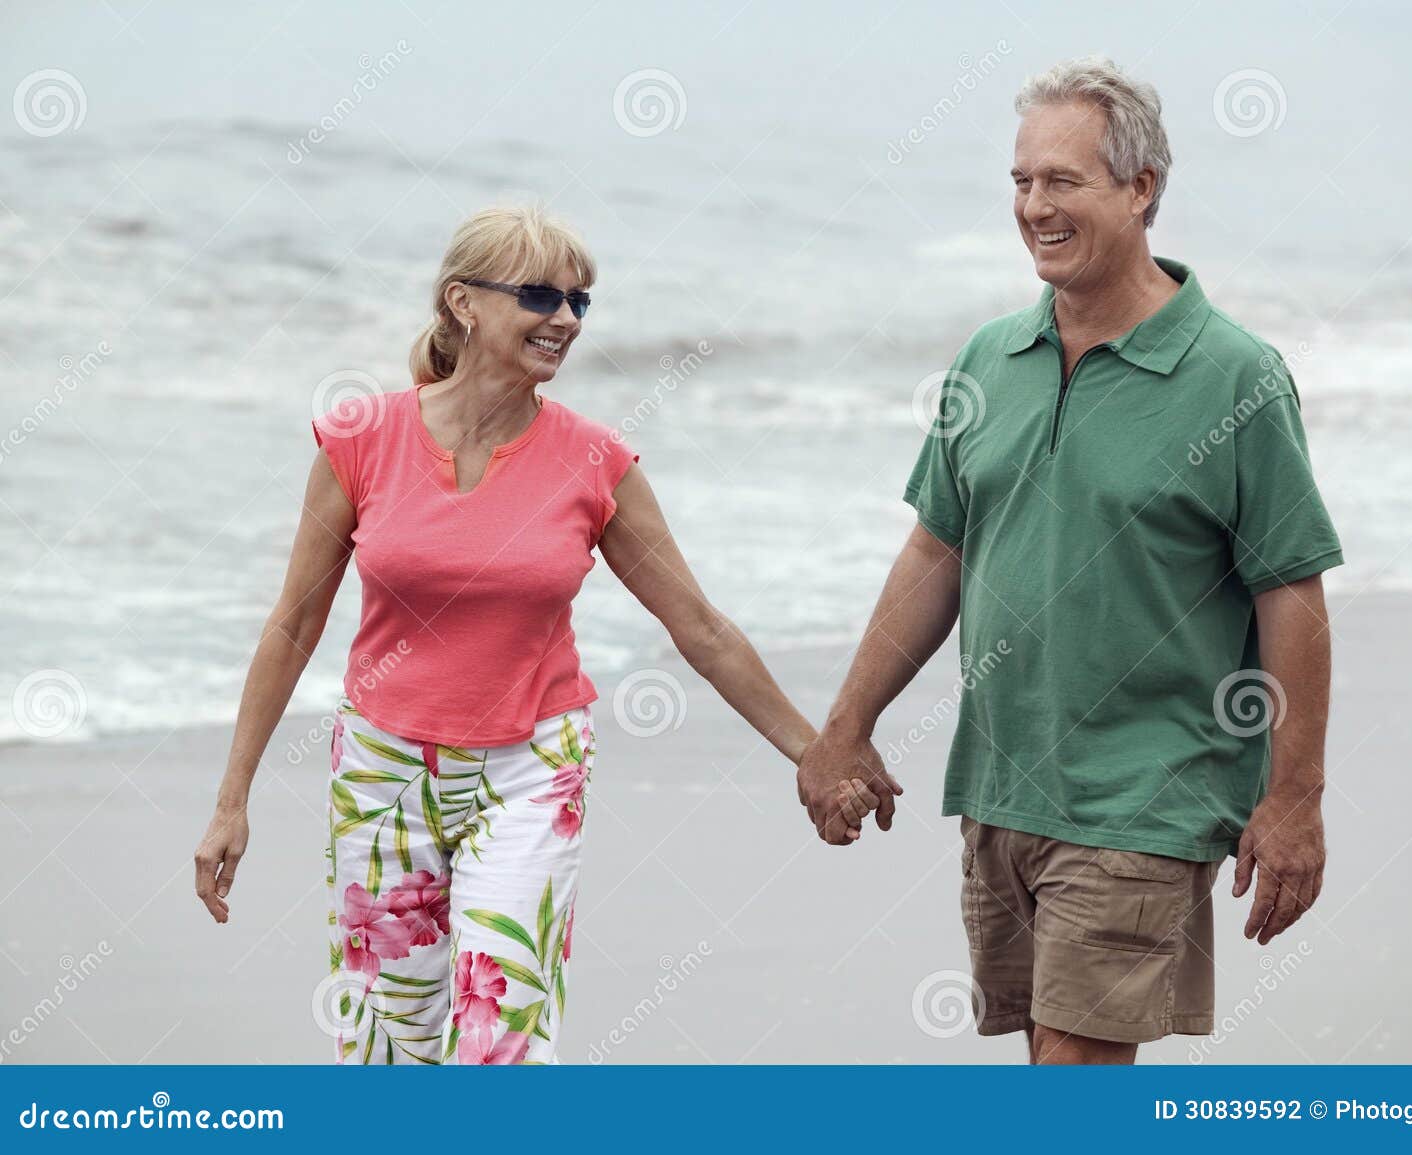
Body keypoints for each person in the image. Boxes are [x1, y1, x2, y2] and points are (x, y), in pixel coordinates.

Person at [193, 205, 862, 1064]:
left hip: (532, 767)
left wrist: (815, 753)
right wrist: (231, 800)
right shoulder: (362, 438)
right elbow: (293, 625)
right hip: (383, 770)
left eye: (580, 301)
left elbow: (700, 628)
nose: (566, 319)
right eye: (541, 296)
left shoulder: (594, 461)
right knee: (385, 1048)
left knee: (497, 1045)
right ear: (463, 303)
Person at [797, 57, 1343, 1065]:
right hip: (1000, 790)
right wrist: (846, 726)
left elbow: (1290, 590)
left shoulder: (1237, 378)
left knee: (1072, 1074)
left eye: (1062, 180)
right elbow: (935, 551)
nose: (1034, 207)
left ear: (1141, 189)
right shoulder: (987, 360)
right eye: (1021, 181)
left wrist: (1294, 797)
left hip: (1145, 797)